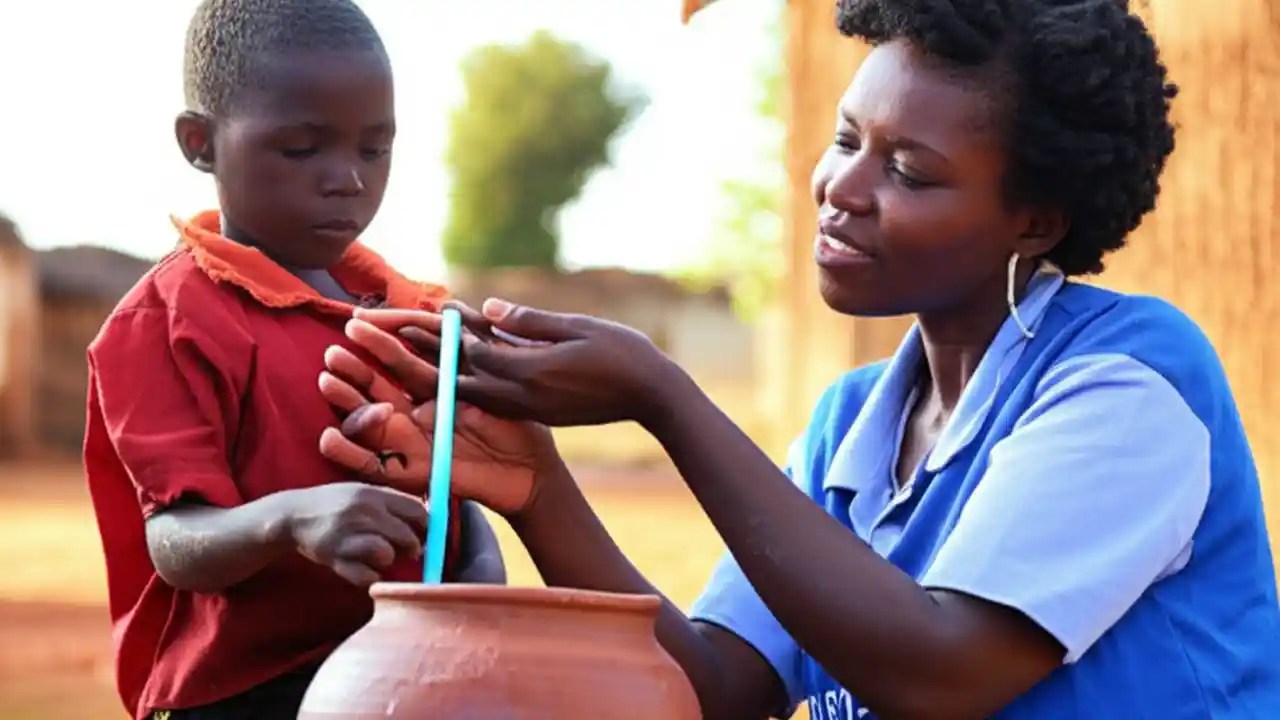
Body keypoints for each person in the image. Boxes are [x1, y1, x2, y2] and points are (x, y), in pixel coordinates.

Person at [320, 1, 1280, 719]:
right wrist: (539, 488)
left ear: (1036, 220)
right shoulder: (853, 426)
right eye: (846, 139)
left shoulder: (1128, 384)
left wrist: (662, 395)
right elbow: (715, 689)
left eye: (907, 172)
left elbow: (939, 669)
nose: (840, 189)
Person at [82, 1, 504, 718]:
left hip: (409, 673)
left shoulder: (413, 315)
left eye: (374, 149)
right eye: (302, 149)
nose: (347, 178)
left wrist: (479, 575)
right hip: (244, 694)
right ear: (200, 143)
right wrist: (291, 520)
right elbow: (176, 539)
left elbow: (452, 492)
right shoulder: (169, 321)